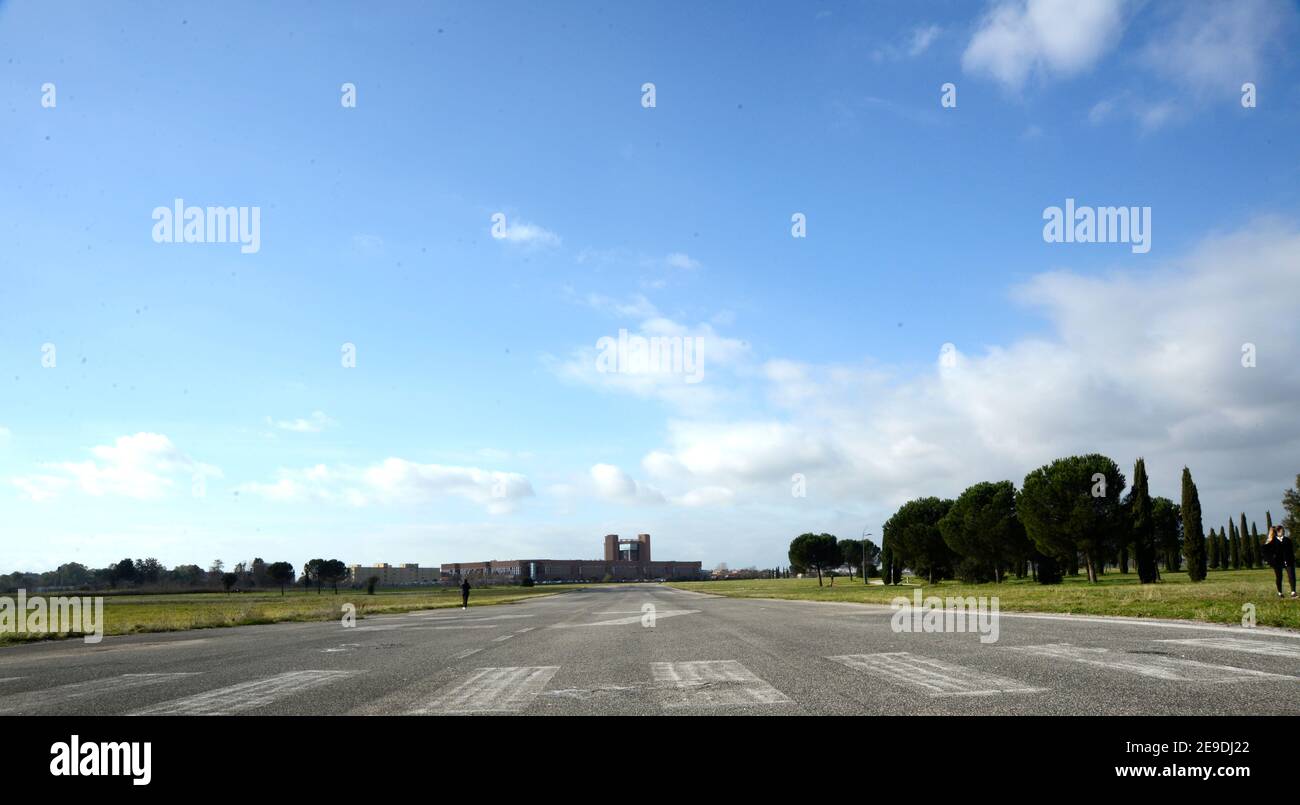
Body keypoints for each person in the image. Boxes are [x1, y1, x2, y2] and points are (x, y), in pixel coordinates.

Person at [1263, 526, 1296, 598]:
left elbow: (1291, 551)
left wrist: (1293, 559)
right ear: (1277, 532)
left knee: (1291, 576)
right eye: (1282, 531)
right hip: (1277, 562)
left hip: (1288, 560)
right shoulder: (1272, 540)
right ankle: (1280, 593)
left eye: (1283, 531)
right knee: (1279, 577)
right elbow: (1265, 550)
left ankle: (1293, 592)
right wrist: (1268, 560)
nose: (1283, 532)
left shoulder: (1287, 540)